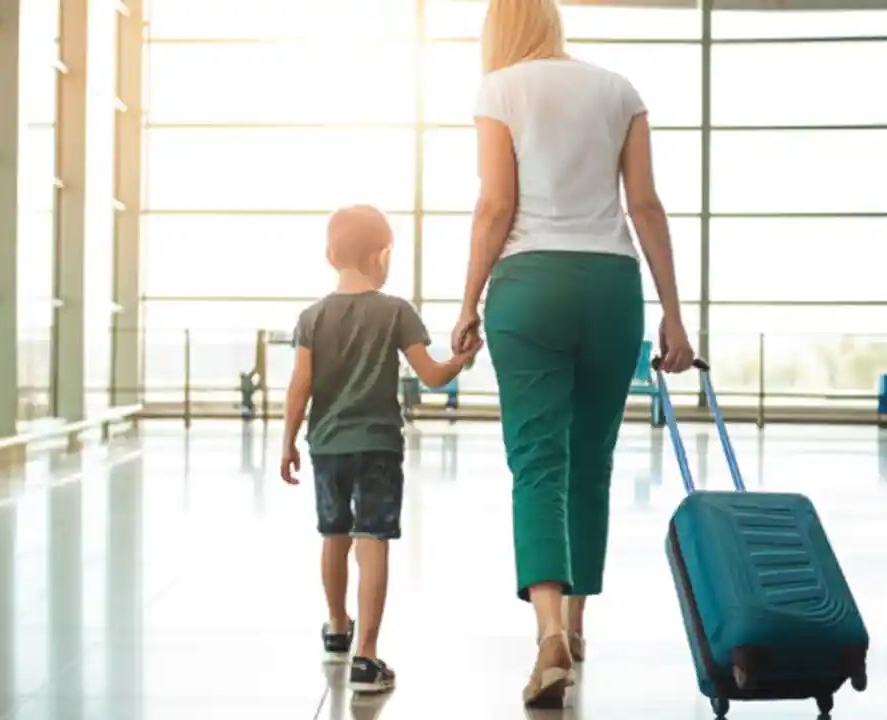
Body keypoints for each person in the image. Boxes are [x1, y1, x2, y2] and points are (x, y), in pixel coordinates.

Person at [450, 0, 696, 707]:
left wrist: (468, 302)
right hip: (612, 289)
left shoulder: (499, 88)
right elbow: (644, 205)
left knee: (537, 462)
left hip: (529, 285)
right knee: (592, 463)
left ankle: (549, 631)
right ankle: (578, 626)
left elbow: (495, 205)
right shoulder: (620, 90)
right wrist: (675, 316)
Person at [281, 204, 482, 694]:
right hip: (378, 448)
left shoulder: (311, 318)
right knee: (373, 541)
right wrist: (463, 358)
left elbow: (299, 385)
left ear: (331, 255)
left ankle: (336, 626)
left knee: (334, 534)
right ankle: (367, 657)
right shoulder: (395, 312)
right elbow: (432, 376)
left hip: (326, 445)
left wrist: (287, 440)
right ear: (383, 255)